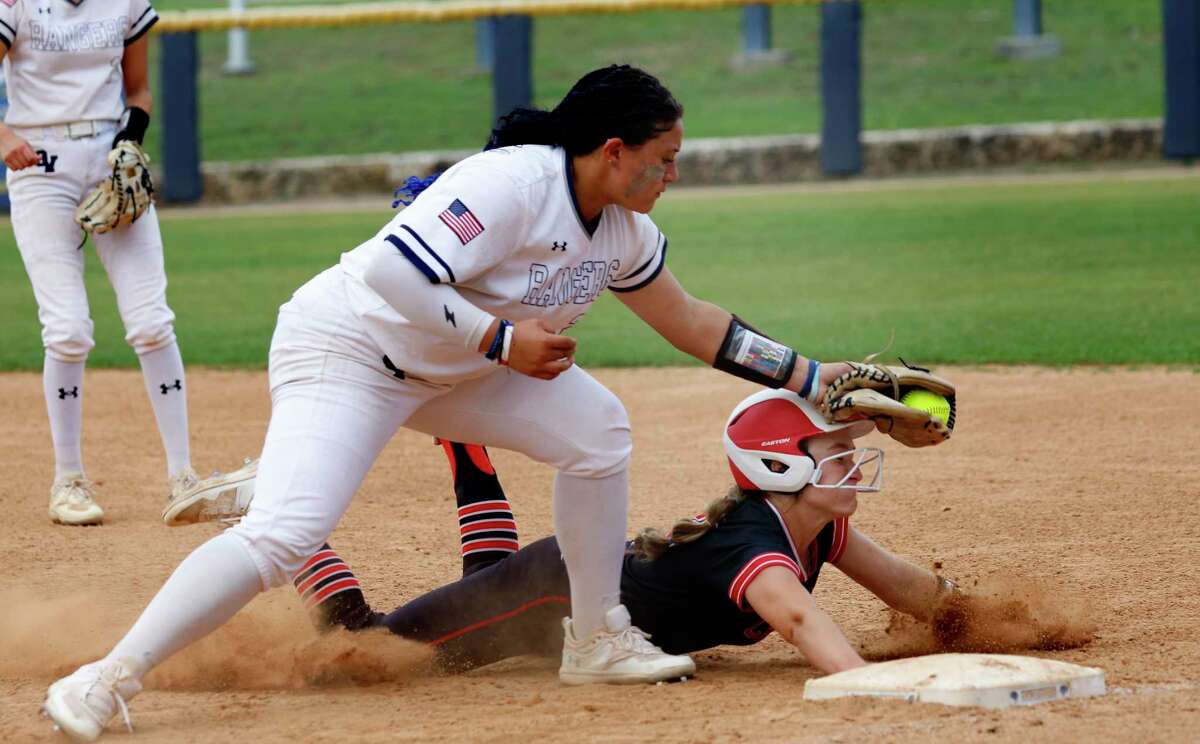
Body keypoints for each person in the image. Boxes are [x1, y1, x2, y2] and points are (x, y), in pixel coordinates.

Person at [43, 64, 857, 739]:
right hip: (350, 348)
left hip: (454, 369)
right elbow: (396, 273)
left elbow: (692, 322)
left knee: (599, 430)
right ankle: (108, 675)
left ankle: (598, 635)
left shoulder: (622, 232)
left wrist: (818, 379)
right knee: (287, 534)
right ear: (614, 151)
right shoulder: (509, 185)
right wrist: (503, 344)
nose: (673, 173)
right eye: (665, 157)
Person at [297, 390, 958, 676]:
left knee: (480, 587)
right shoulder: (754, 541)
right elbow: (802, 622)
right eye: (836, 451)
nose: (852, 462)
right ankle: (278, 517)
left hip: (558, 588)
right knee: (365, 653)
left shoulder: (814, 527)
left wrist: (997, 620)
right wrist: (862, 679)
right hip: (550, 591)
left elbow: (911, 590)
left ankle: (462, 443)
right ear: (779, 463)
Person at [0, 1, 225, 525]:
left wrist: (131, 139)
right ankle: (68, 480)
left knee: (152, 321)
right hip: (41, 169)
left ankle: (183, 476)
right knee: (68, 330)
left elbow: (139, 90)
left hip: (108, 166)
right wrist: (6, 137)